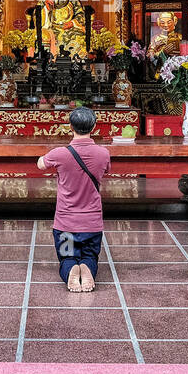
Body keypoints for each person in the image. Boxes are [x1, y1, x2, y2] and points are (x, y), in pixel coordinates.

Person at [37, 106, 110, 292]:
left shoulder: (59, 154)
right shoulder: (103, 154)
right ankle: (86, 269)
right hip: (92, 224)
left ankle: (71, 269)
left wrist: (46, 157)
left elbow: (40, 164)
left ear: (70, 126)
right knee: (90, 256)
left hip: (66, 224)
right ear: (94, 126)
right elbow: (105, 169)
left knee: (67, 257)